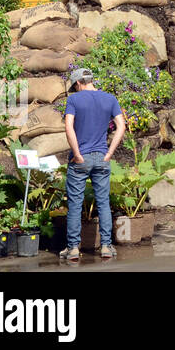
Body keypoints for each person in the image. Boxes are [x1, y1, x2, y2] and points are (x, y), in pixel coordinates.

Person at [61, 68, 126, 262]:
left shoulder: (74, 100)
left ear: (78, 83)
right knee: (104, 202)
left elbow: (68, 126)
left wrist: (78, 154)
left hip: (81, 159)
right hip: (101, 158)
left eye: (74, 86)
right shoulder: (110, 99)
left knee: (75, 204)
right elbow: (121, 126)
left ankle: (73, 248)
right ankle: (106, 246)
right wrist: (109, 153)